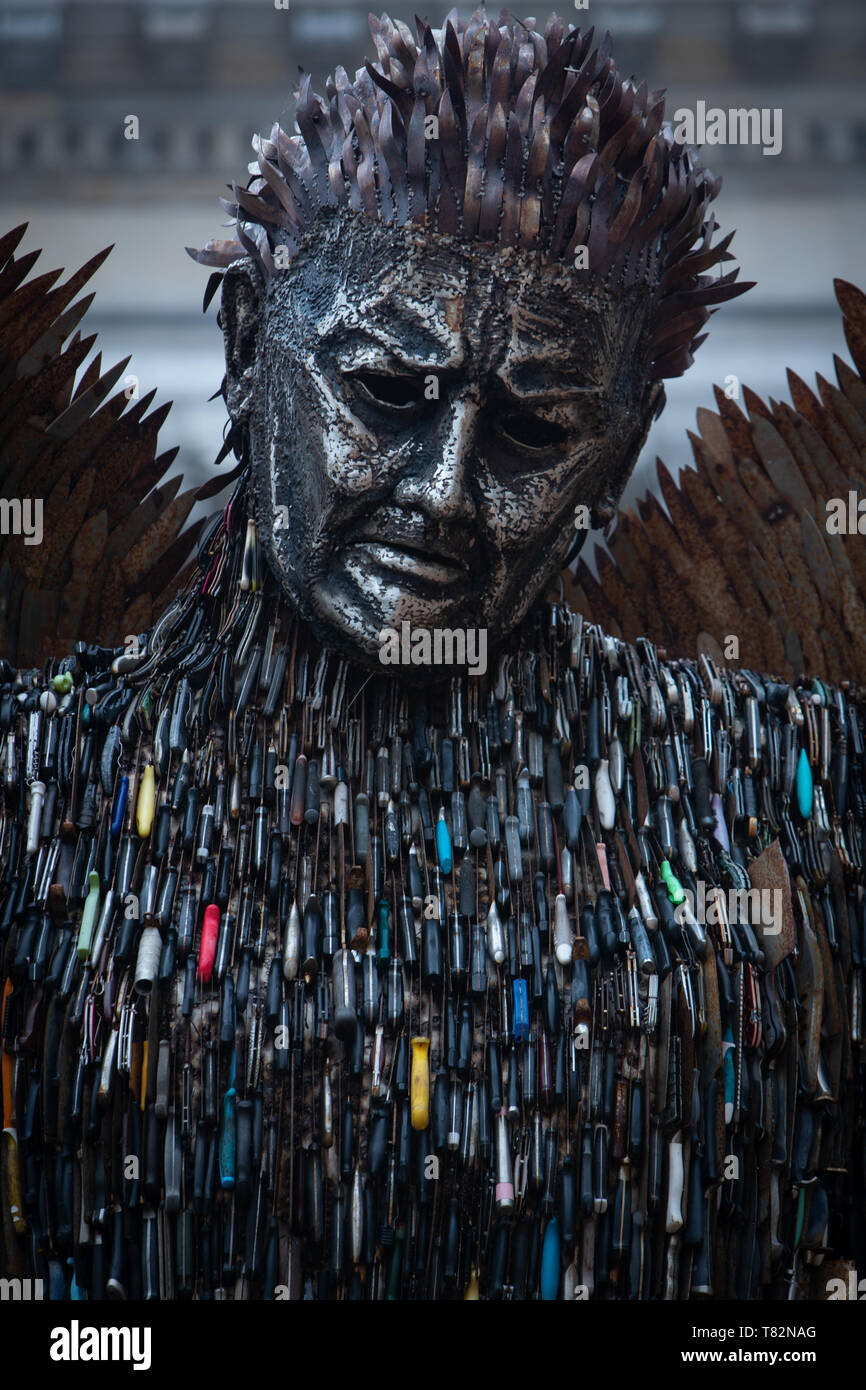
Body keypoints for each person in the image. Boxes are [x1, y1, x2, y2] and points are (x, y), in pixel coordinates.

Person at [0, 8, 863, 1300]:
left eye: (531, 431)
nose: (443, 494)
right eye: (386, 392)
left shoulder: (798, 799)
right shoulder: (31, 791)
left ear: (618, 455)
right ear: (243, 348)